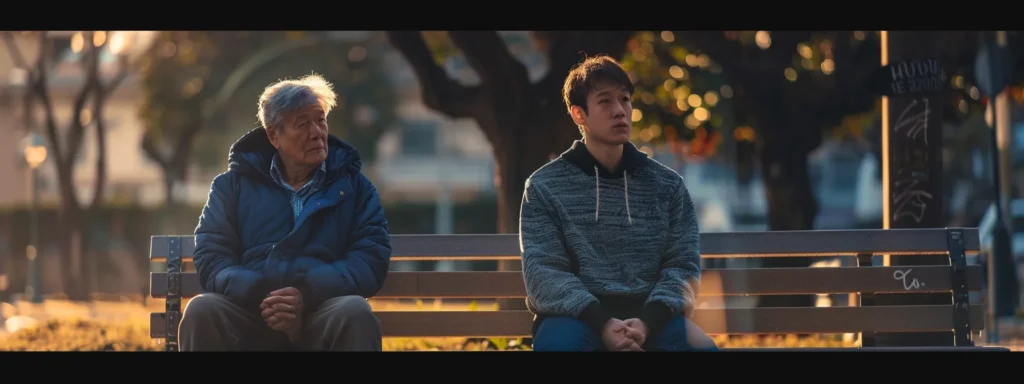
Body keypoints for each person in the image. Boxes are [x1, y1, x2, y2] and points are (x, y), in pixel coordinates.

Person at [519, 55, 718, 352]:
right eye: (605, 102)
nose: (620, 111)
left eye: (625, 100)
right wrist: (602, 323)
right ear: (578, 114)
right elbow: (545, 272)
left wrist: (647, 323)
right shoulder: (544, 186)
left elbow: (682, 265)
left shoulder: (667, 185)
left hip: (655, 319)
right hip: (576, 320)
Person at [179, 74, 391, 351]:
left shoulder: (355, 187)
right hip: (250, 312)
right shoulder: (230, 187)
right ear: (273, 135)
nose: (317, 131)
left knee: (355, 312)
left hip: (321, 311)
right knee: (202, 309)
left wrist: (307, 293)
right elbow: (212, 256)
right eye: (303, 123)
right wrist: (261, 294)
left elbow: (370, 256)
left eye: (321, 120)